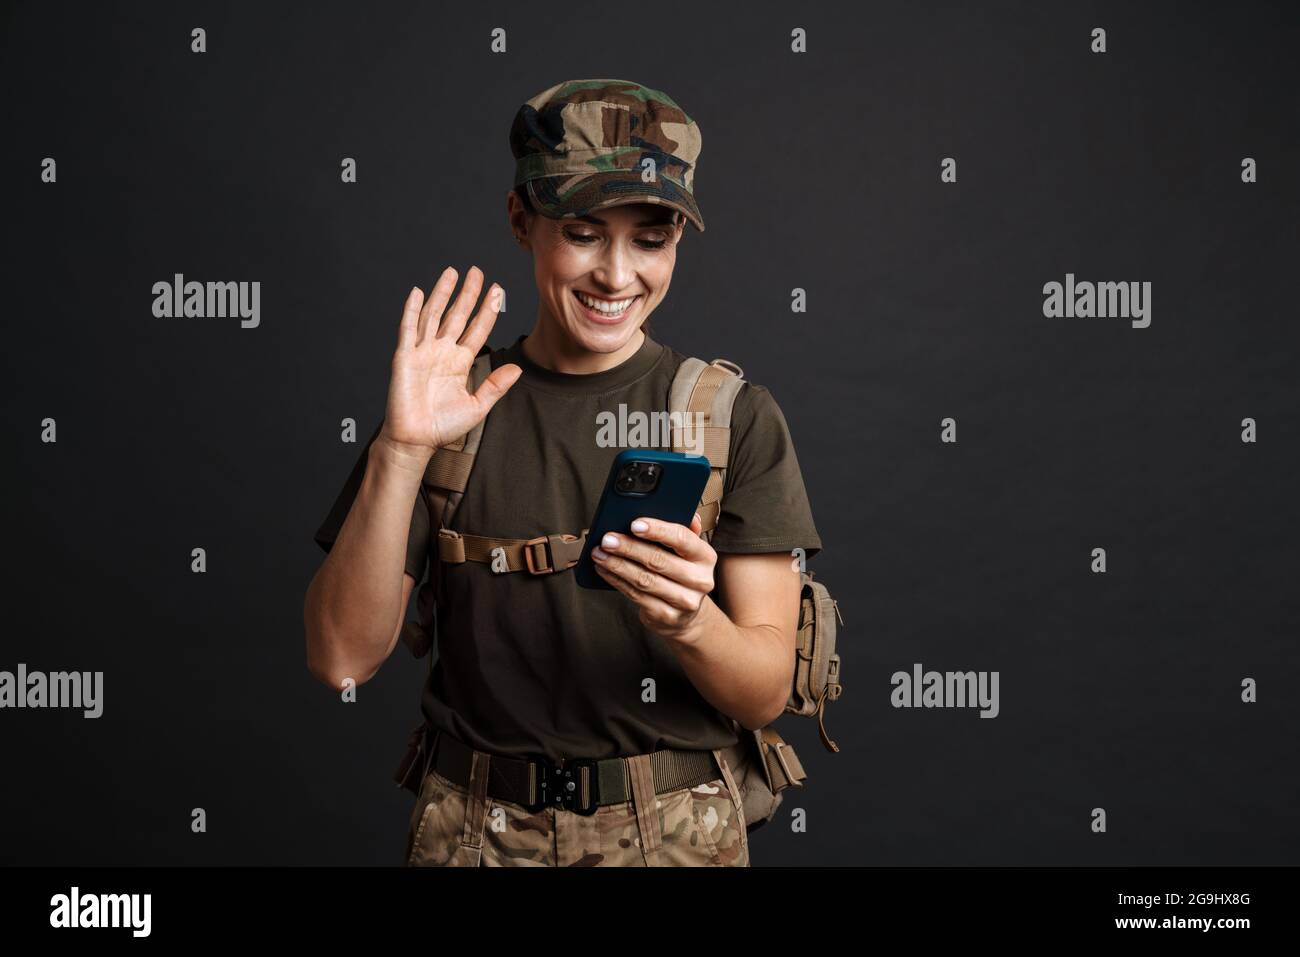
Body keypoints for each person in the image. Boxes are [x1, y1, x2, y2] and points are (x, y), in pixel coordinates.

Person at [304, 79, 821, 866]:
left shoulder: (734, 417)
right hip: (475, 837)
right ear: (522, 222)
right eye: (582, 232)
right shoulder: (449, 407)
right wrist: (401, 452)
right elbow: (340, 657)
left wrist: (691, 622)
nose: (616, 276)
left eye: (650, 239)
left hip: (675, 839)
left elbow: (763, 692)